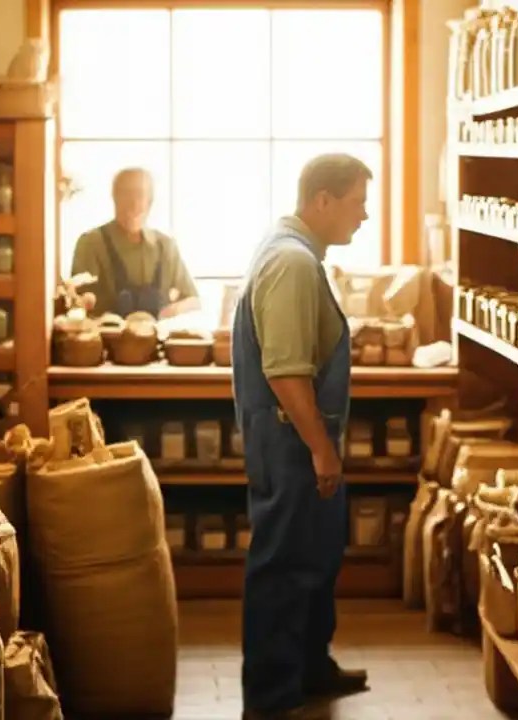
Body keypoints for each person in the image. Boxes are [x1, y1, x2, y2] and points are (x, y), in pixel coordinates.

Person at [232, 153, 373, 720]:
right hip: (291, 439)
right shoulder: (291, 262)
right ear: (323, 201)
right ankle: (270, 697)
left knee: (315, 557)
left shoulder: (295, 251)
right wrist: (321, 449)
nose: (364, 217)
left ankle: (312, 667)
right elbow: (286, 371)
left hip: (299, 437)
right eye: (358, 204)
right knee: (284, 566)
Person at [70, 167, 200, 319]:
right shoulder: (91, 243)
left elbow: (194, 301)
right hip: (107, 340)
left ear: (150, 201)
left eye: (140, 195)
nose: (134, 203)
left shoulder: (166, 246)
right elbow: (76, 305)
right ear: (114, 197)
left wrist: (173, 311)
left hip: (159, 338)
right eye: (126, 194)